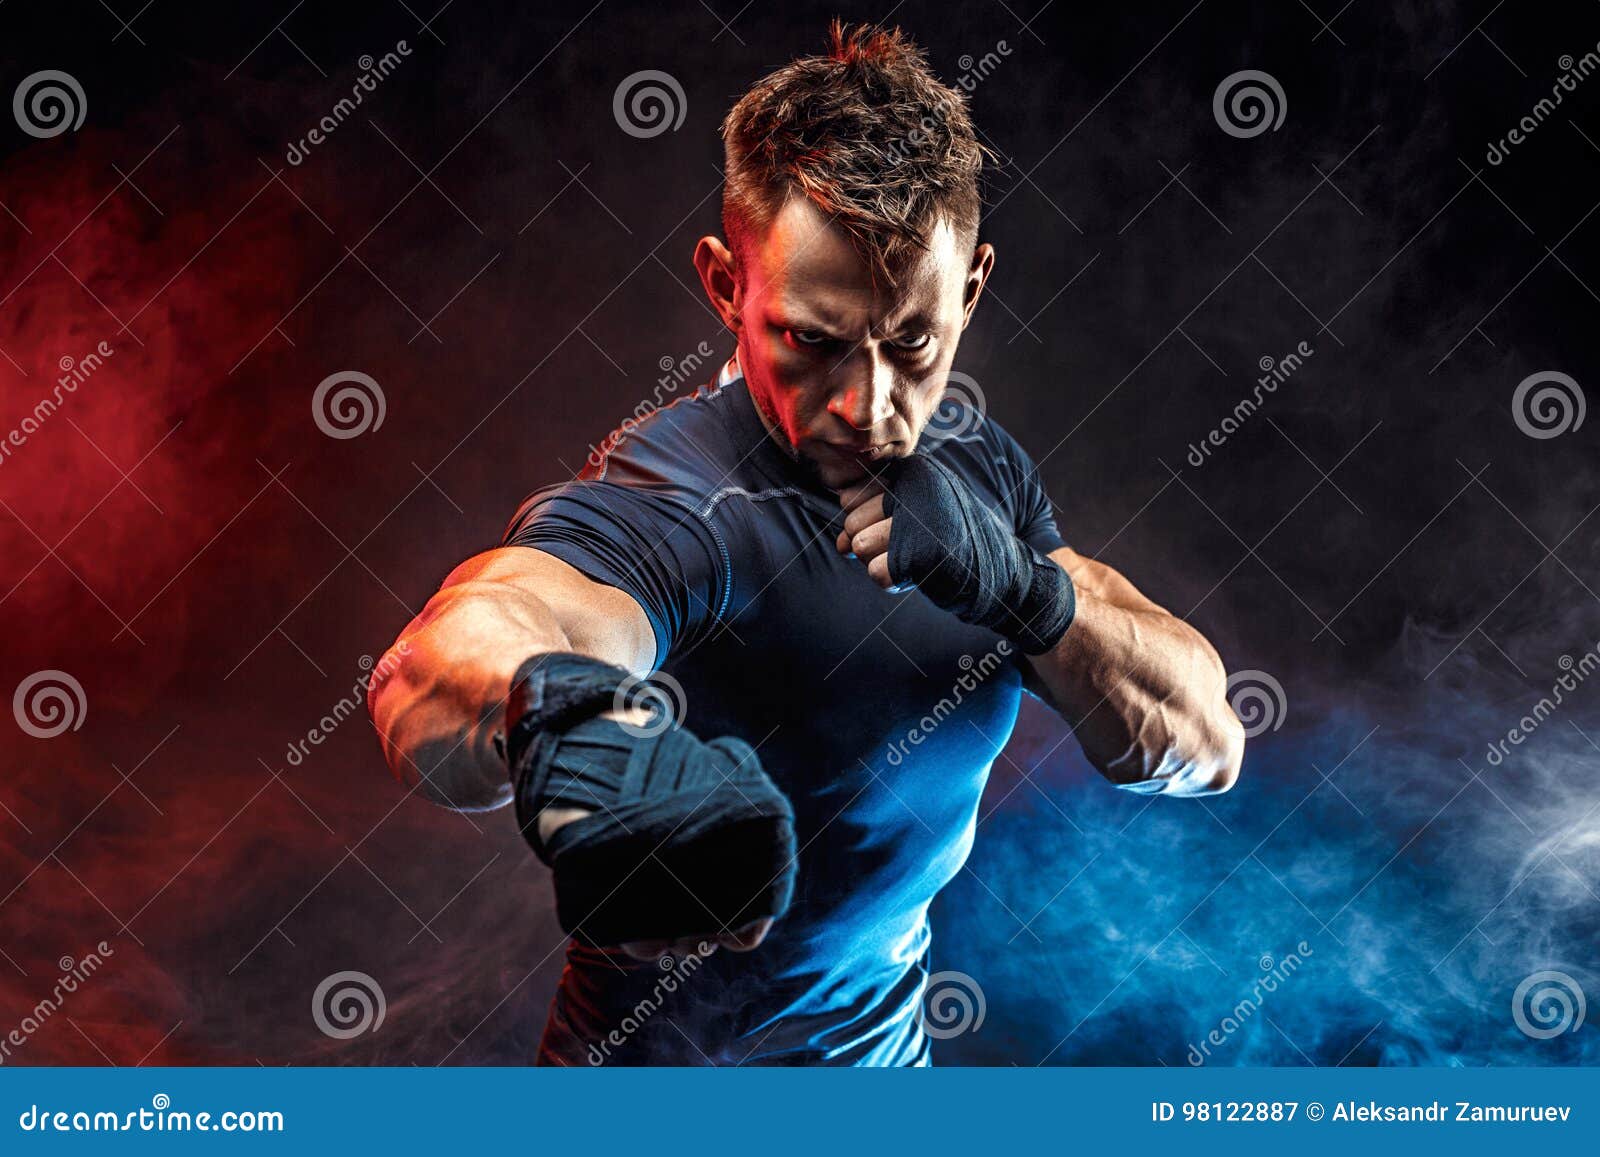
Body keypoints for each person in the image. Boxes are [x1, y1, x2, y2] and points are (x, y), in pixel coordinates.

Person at [368, 21, 1244, 1066]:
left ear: (970, 289)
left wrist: (1030, 594)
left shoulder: (984, 470)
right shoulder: (682, 493)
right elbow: (450, 650)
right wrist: (563, 716)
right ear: (725, 286)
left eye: (911, 341)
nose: (870, 406)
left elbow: (1204, 744)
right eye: (813, 340)